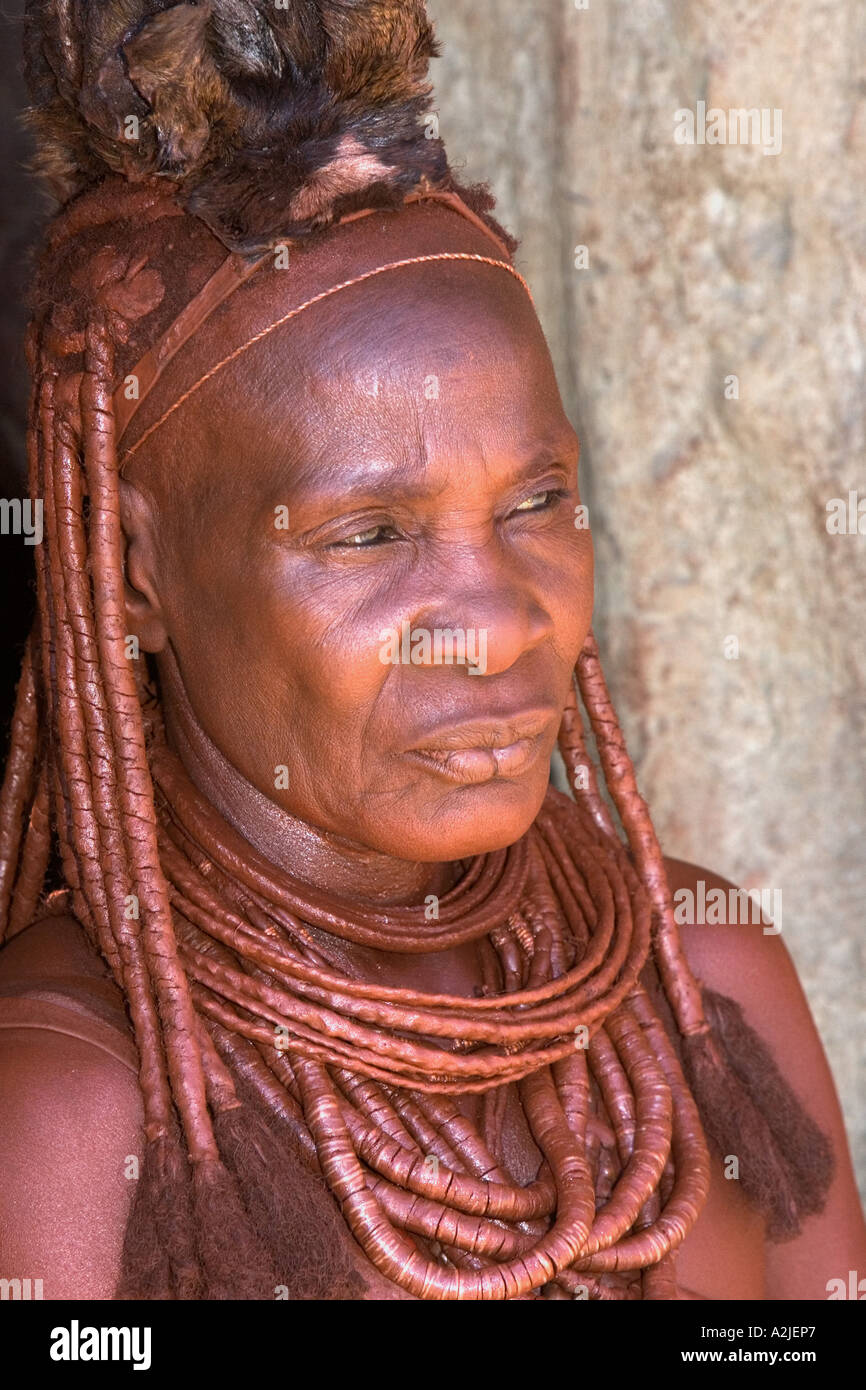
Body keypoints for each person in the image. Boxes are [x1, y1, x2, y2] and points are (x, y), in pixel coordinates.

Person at [0, 0, 862, 1301]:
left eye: (532, 506)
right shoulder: (71, 1106)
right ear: (133, 573)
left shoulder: (704, 980)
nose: (502, 620)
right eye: (370, 534)